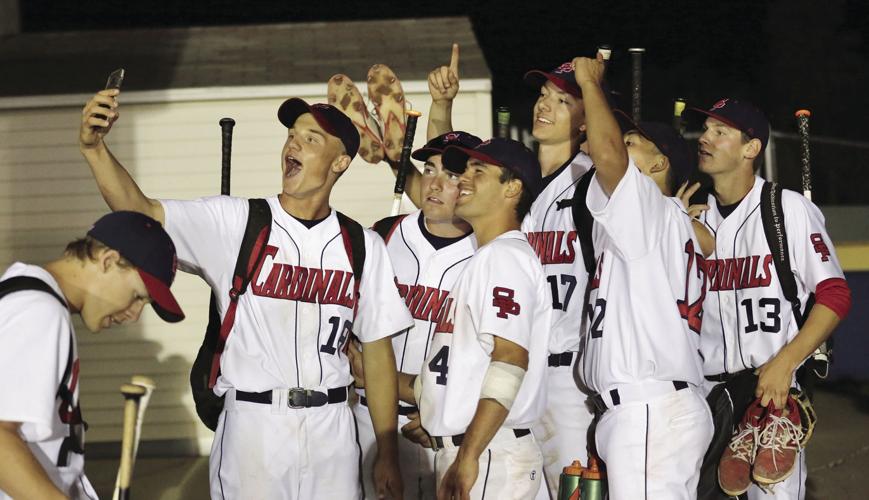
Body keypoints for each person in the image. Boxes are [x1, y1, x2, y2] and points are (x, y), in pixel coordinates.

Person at [78, 88, 414, 499]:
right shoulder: (236, 221)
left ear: (340, 163)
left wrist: (387, 451)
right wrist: (95, 149)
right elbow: (141, 213)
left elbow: (378, 354)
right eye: (292, 134)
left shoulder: (363, 246)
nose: (294, 143)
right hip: (254, 427)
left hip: (334, 430)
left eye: (311, 139)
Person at [428, 47, 597, 498]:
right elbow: (449, 176)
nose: (544, 105)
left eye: (563, 100)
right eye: (543, 95)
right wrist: (442, 108)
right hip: (508, 378)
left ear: (587, 118)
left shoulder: (594, 185)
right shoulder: (506, 184)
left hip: (569, 376)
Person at [693, 98, 851, 499]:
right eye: (706, 129)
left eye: (719, 131)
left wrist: (786, 362)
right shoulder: (691, 219)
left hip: (770, 394)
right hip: (705, 396)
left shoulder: (786, 210)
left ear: (751, 148)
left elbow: (833, 294)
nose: (705, 138)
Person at [573, 53, 713, 499]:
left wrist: (591, 85)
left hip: (650, 408)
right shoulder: (663, 221)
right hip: (648, 410)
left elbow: (608, 154)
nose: (619, 146)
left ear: (658, 165)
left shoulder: (650, 214)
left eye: (634, 143)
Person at [0, 211, 184, 500]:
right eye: (138, 296)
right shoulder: (39, 311)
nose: (134, 315)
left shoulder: (30, 297)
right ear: (108, 261)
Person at [415, 137, 551, 499]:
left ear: (513, 188)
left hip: (489, 454)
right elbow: (463, 370)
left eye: (480, 171)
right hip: (488, 451)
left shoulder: (504, 257)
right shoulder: (489, 257)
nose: (463, 180)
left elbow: (510, 358)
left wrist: (469, 454)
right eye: (465, 171)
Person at [349, 131, 481, 499]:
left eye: (451, 175)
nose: (434, 184)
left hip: (449, 429)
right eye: (429, 169)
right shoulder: (382, 235)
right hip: (374, 421)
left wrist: (448, 416)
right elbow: (340, 307)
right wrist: (349, 349)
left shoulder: (488, 253)